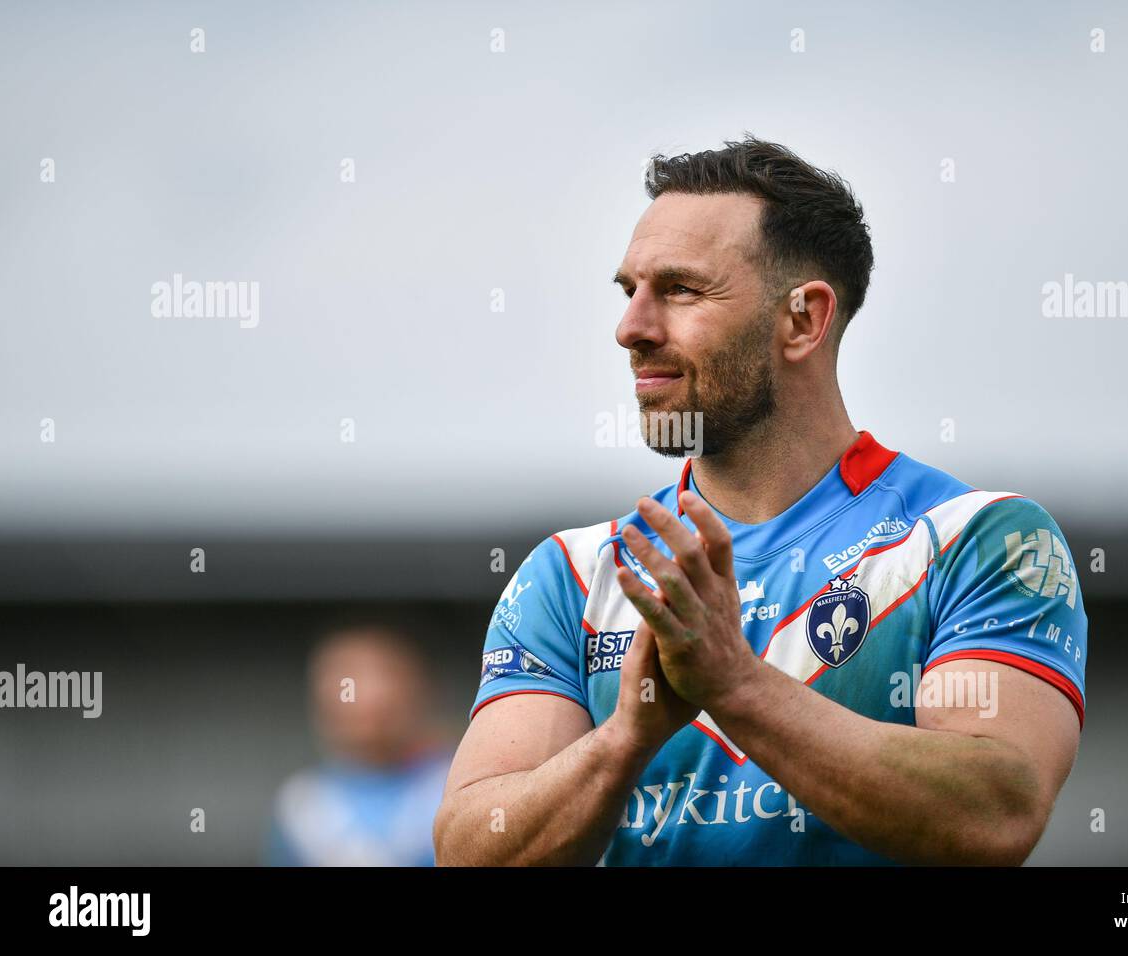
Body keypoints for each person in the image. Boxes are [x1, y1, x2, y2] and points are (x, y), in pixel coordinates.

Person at [434, 135, 1088, 866]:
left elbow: (994, 813)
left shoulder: (977, 539)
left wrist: (736, 684)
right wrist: (625, 737)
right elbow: (469, 850)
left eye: (680, 290)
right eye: (630, 292)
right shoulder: (574, 575)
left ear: (803, 319)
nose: (632, 329)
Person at [266, 624, 451, 866]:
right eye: (345, 676)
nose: (369, 696)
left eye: (384, 674)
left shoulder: (453, 783)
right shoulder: (301, 802)